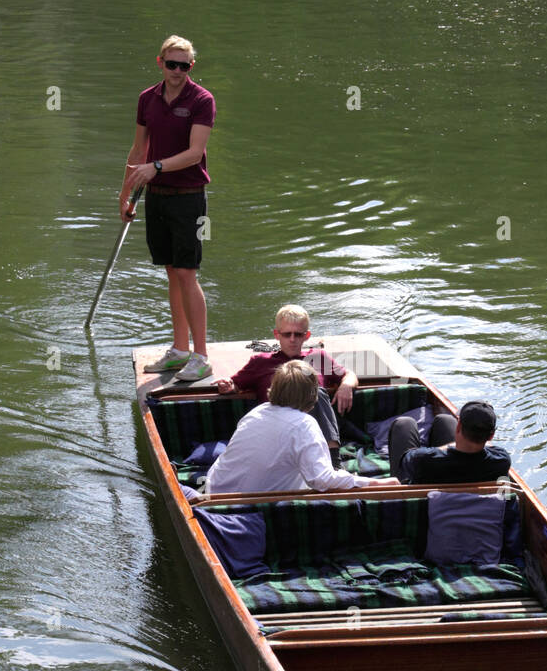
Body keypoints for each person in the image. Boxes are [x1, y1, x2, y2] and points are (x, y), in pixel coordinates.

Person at [120, 35, 216, 382]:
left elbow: (194, 153)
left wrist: (156, 167)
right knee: (171, 271)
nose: (177, 71)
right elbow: (137, 150)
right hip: (156, 195)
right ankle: (179, 350)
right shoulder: (148, 99)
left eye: (184, 65)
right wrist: (126, 195)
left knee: (187, 273)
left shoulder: (202, 100)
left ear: (191, 67)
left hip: (189, 196)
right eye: (171, 64)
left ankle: (201, 356)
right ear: (160, 62)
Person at [204, 360, 384, 495]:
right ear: (312, 397)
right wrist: (372, 483)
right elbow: (322, 480)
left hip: (215, 489)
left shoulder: (257, 411)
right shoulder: (304, 425)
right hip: (251, 506)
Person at [214, 304, 357, 464]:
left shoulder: (318, 358)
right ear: (277, 334)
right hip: (277, 432)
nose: (292, 339)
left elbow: (349, 375)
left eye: (298, 334)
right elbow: (235, 384)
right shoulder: (261, 362)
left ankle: (334, 462)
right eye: (287, 334)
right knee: (312, 392)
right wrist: (228, 386)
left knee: (316, 392)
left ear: (306, 335)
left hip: (313, 432)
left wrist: (346, 385)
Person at [389, 400, 511, 485]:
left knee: (404, 423)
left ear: (458, 427)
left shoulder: (422, 460)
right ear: (491, 436)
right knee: (444, 420)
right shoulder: (502, 461)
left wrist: (451, 447)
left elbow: (405, 461)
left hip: (426, 503)